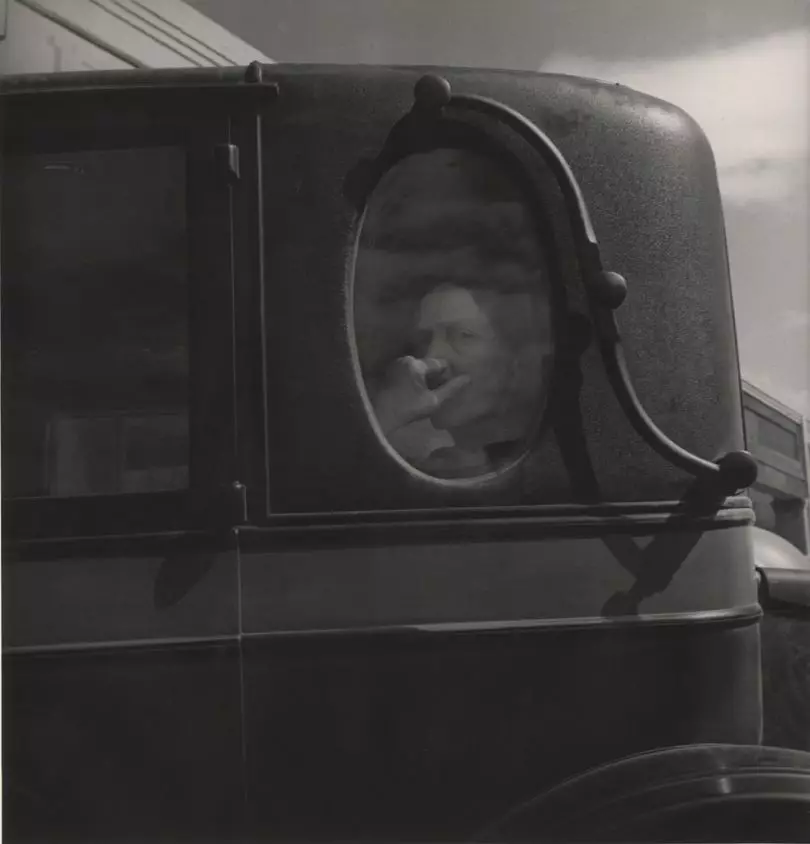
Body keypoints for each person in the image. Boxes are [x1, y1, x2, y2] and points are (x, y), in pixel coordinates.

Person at [371, 279, 551, 478]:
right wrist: (386, 416)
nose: (432, 354)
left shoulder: (547, 477)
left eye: (463, 335)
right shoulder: (435, 469)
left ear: (516, 359)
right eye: (424, 339)